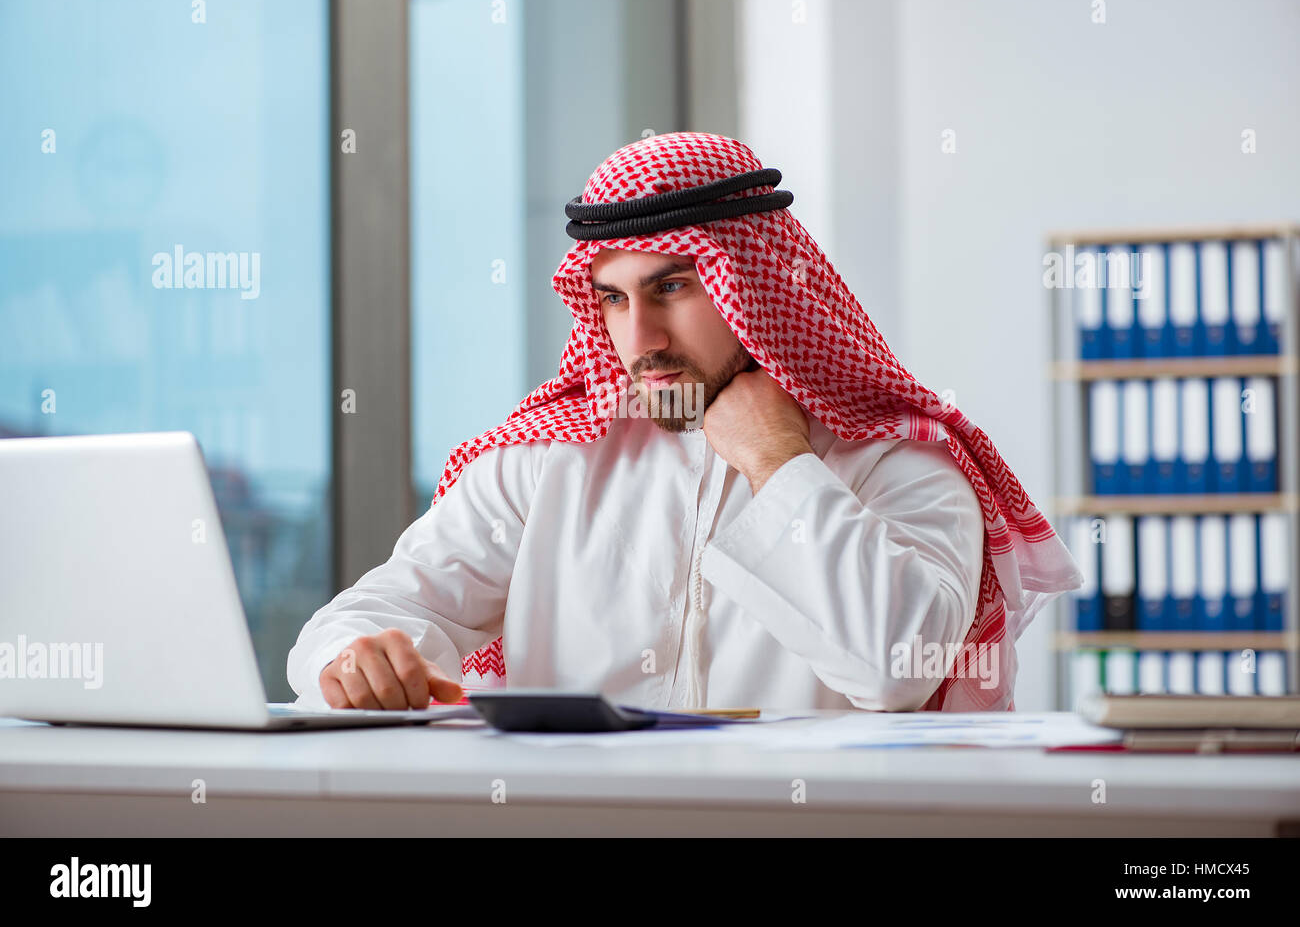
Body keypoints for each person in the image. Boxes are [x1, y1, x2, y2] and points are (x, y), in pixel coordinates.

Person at [286, 131, 1082, 713]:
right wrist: (355, 659)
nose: (640, 341)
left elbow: (899, 663)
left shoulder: (898, 462)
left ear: (758, 287)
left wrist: (779, 461)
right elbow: (367, 615)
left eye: (671, 289)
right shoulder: (550, 460)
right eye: (614, 299)